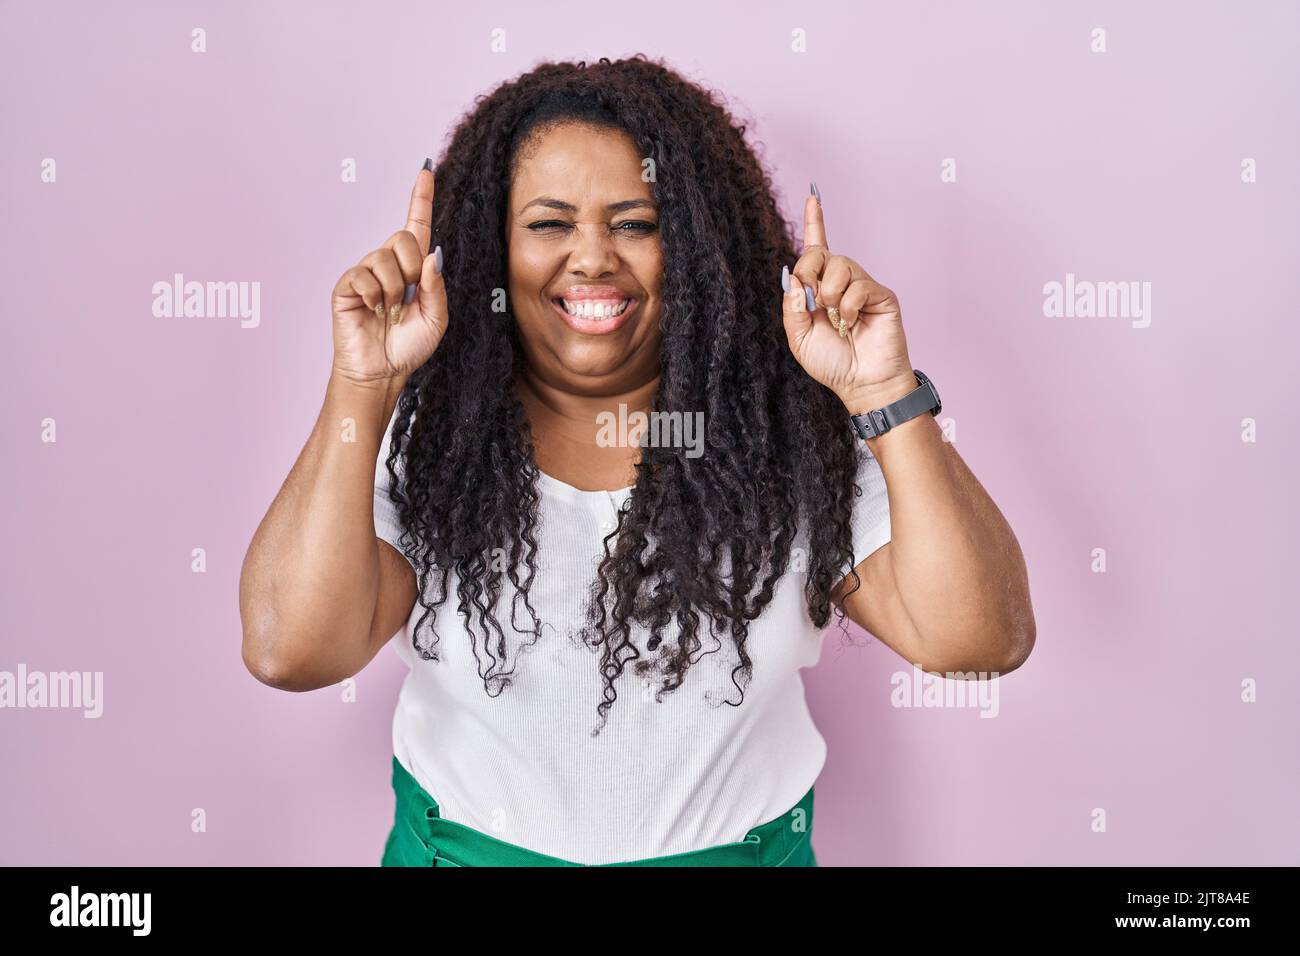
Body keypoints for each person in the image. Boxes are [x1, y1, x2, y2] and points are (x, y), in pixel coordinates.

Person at [238, 55, 1035, 867]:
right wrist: (360, 388)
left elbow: (976, 641)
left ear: (695, 247)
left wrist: (885, 394)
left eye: (636, 223)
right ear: (489, 250)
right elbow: (290, 650)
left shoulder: (793, 435)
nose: (591, 259)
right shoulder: (428, 436)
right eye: (549, 224)